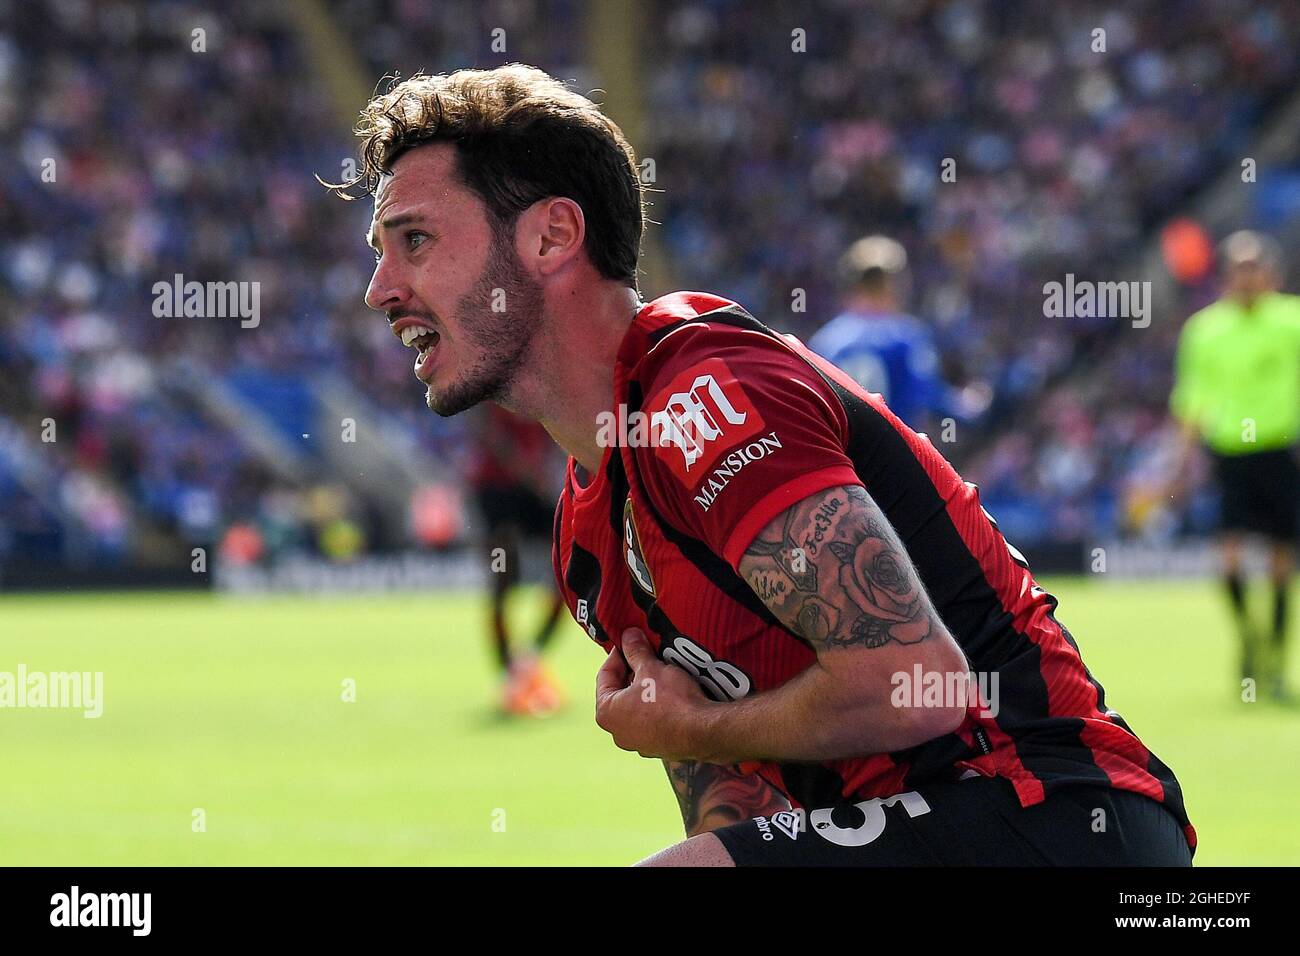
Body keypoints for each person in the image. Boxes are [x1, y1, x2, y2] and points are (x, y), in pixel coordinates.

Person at [343, 64, 1193, 866]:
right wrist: (695, 739)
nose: (381, 288)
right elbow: (739, 818)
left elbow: (916, 685)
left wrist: (690, 732)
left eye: (414, 240)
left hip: (1053, 812)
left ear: (552, 236)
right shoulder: (585, 540)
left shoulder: (704, 395)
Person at [1170, 230, 1300, 699]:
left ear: (1272, 273)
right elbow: (1191, 400)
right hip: (1229, 457)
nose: (1247, 277)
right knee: (1229, 558)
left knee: (1283, 564)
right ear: (1226, 275)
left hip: (1280, 453)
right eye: (1239, 268)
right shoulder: (1204, 330)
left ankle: (1276, 662)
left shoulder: (1291, 322)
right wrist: (1181, 463)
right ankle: (1251, 636)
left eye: (1255, 267)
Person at [468, 403, 567, 716]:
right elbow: (488, 433)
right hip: (496, 490)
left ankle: (528, 659)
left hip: (530, 489)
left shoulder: (538, 380)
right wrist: (527, 469)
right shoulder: (491, 385)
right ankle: (509, 671)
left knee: (568, 570)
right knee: (502, 577)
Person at [808, 235, 952, 432]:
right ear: (891, 283)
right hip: (896, 451)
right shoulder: (906, 336)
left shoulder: (824, 343)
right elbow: (927, 398)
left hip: (843, 453)